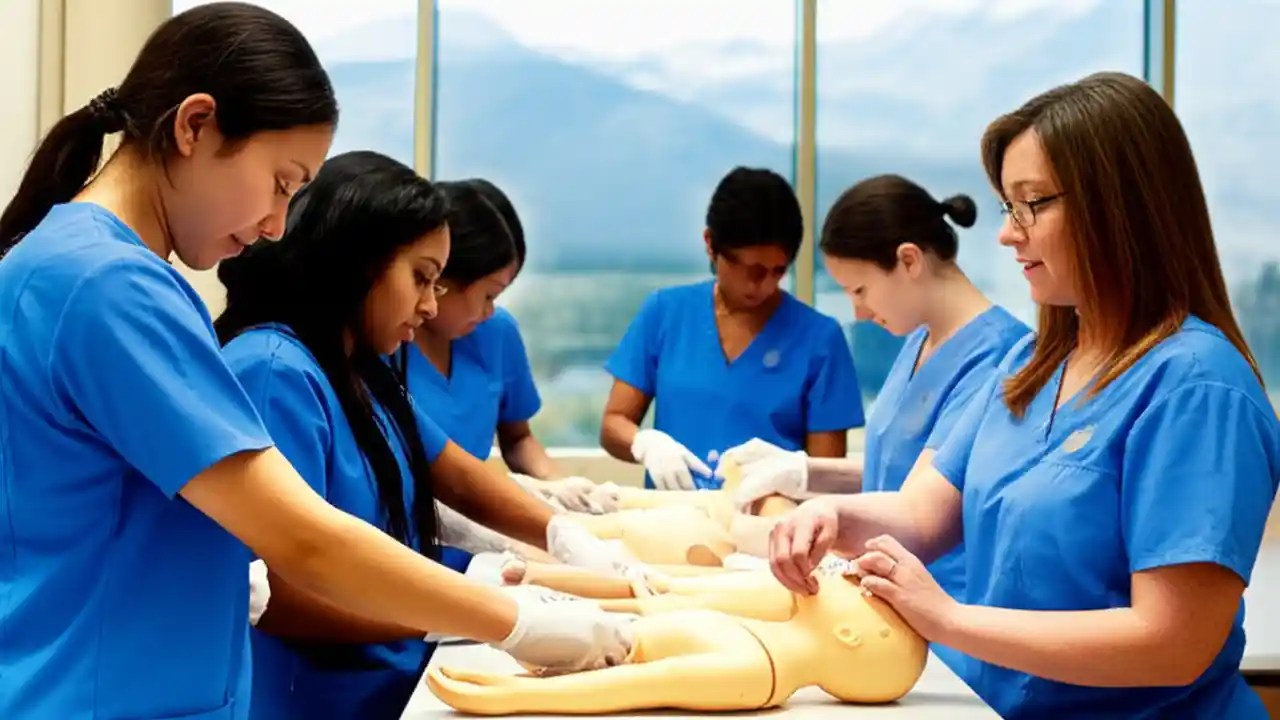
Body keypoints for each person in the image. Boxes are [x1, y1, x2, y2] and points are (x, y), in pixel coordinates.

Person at [0, 5, 629, 718]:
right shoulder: (109, 286)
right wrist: (512, 620)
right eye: (281, 182)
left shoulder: (72, 264)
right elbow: (304, 538)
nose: (275, 224)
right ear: (195, 125)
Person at [768, 72, 1280, 719]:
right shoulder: (1030, 364)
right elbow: (924, 516)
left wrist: (949, 619)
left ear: (1117, 207)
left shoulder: (1198, 389)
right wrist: (834, 519)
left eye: (1030, 204)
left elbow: (1172, 641)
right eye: (1010, 208)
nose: (1008, 234)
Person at [217, 151, 641, 719]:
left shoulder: (360, 368)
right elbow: (277, 596)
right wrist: (467, 614)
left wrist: (562, 532)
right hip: (314, 699)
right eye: (420, 277)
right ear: (360, 263)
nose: (429, 305)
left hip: (392, 681)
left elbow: (453, 471)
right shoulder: (274, 372)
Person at [717, 174, 1030, 675]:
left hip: (947, 634)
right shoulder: (919, 342)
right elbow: (904, 469)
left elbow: (926, 508)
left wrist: (823, 504)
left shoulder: (1003, 360)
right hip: (881, 608)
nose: (859, 312)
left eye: (860, 290)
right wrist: (802, 472)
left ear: (908, 260)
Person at [600, 167, 864, 490]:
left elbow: (826, 479)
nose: (764, 285)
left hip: (768, 527)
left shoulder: (820, 340)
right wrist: (645, 444)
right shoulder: (665, 313)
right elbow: (614, 424)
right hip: (671, 520)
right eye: (752, 271)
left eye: (777, 271)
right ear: (711, 245)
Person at [397, 180, 610, 574]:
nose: (491, 311)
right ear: (441, 282)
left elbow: (518, 438)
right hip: (412, 554)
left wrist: (556, 489)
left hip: (488, 552)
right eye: (488, 295)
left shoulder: (495, 334)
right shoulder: (386, 349)